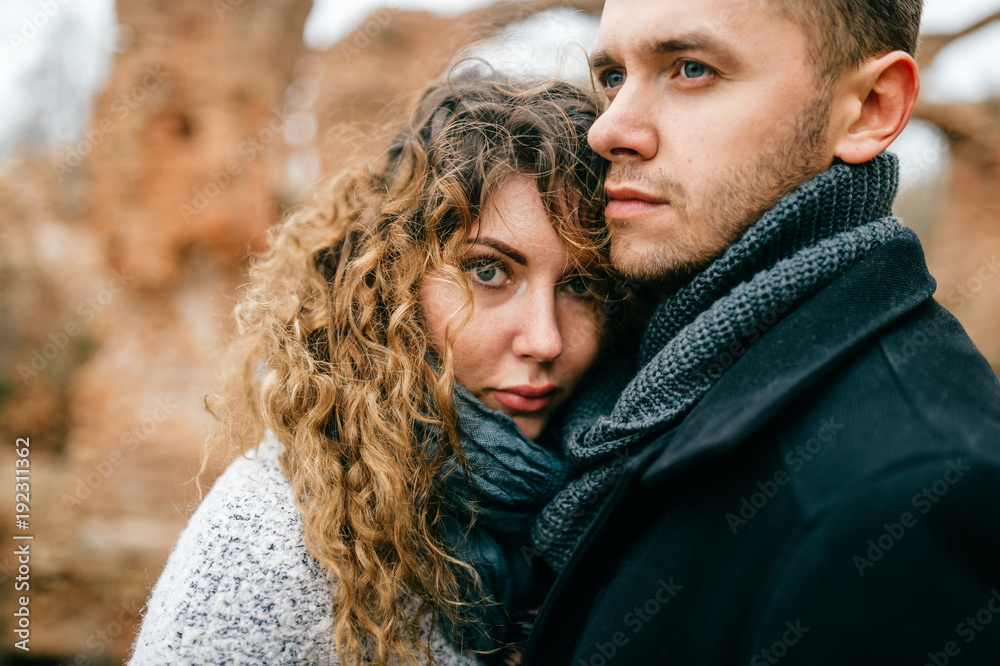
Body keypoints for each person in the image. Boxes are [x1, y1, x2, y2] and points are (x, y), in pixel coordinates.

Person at [518, 1, 1000, 664]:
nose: (610, 128)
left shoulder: (907, 494)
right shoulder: (618, 387)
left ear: (871, 109)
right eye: (611, 76)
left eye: (691, 69)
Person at [127, 72, 618, 665]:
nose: (545, 340)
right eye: (489, 272)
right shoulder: (275, 545)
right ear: (393, 282)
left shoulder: (596, 494)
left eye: (582, 284)